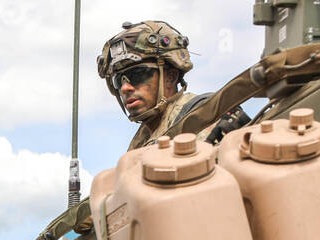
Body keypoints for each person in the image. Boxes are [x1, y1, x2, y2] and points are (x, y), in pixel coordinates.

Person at [98, 20, 248, 151]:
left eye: (137, 75)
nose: (125, 88)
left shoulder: (203, 117)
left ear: (170, 77)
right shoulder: (142, 140)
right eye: (119, 80)